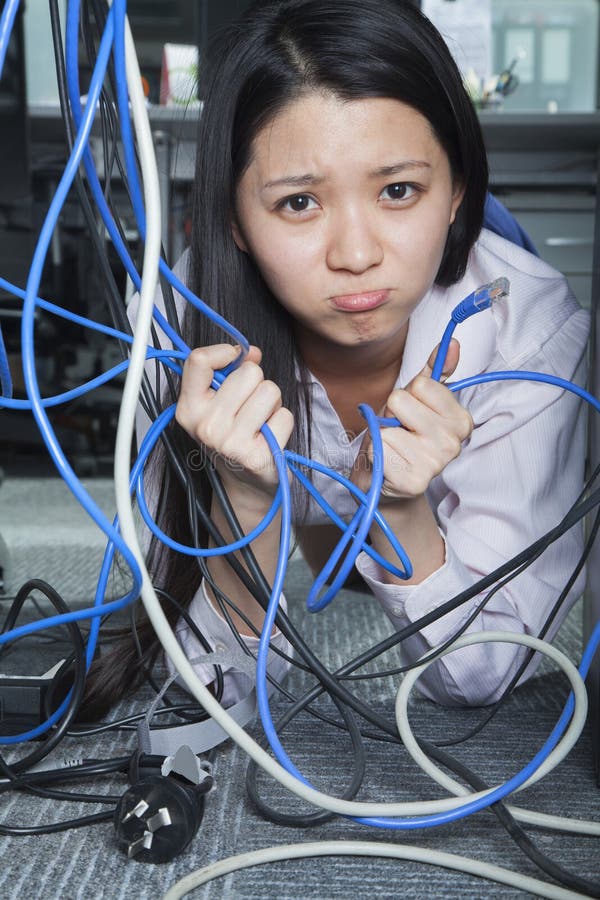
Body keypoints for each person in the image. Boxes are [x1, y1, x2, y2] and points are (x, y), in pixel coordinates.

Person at [84, 0, 589, 717]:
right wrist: (249, 501)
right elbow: (210, 690)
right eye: (298, 203)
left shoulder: (531, 334)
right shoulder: (173, 328)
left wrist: (403, 510)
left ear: (456, 193)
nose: (356, 255)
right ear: (234, 219)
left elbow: (482, 677)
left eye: (398, 190)